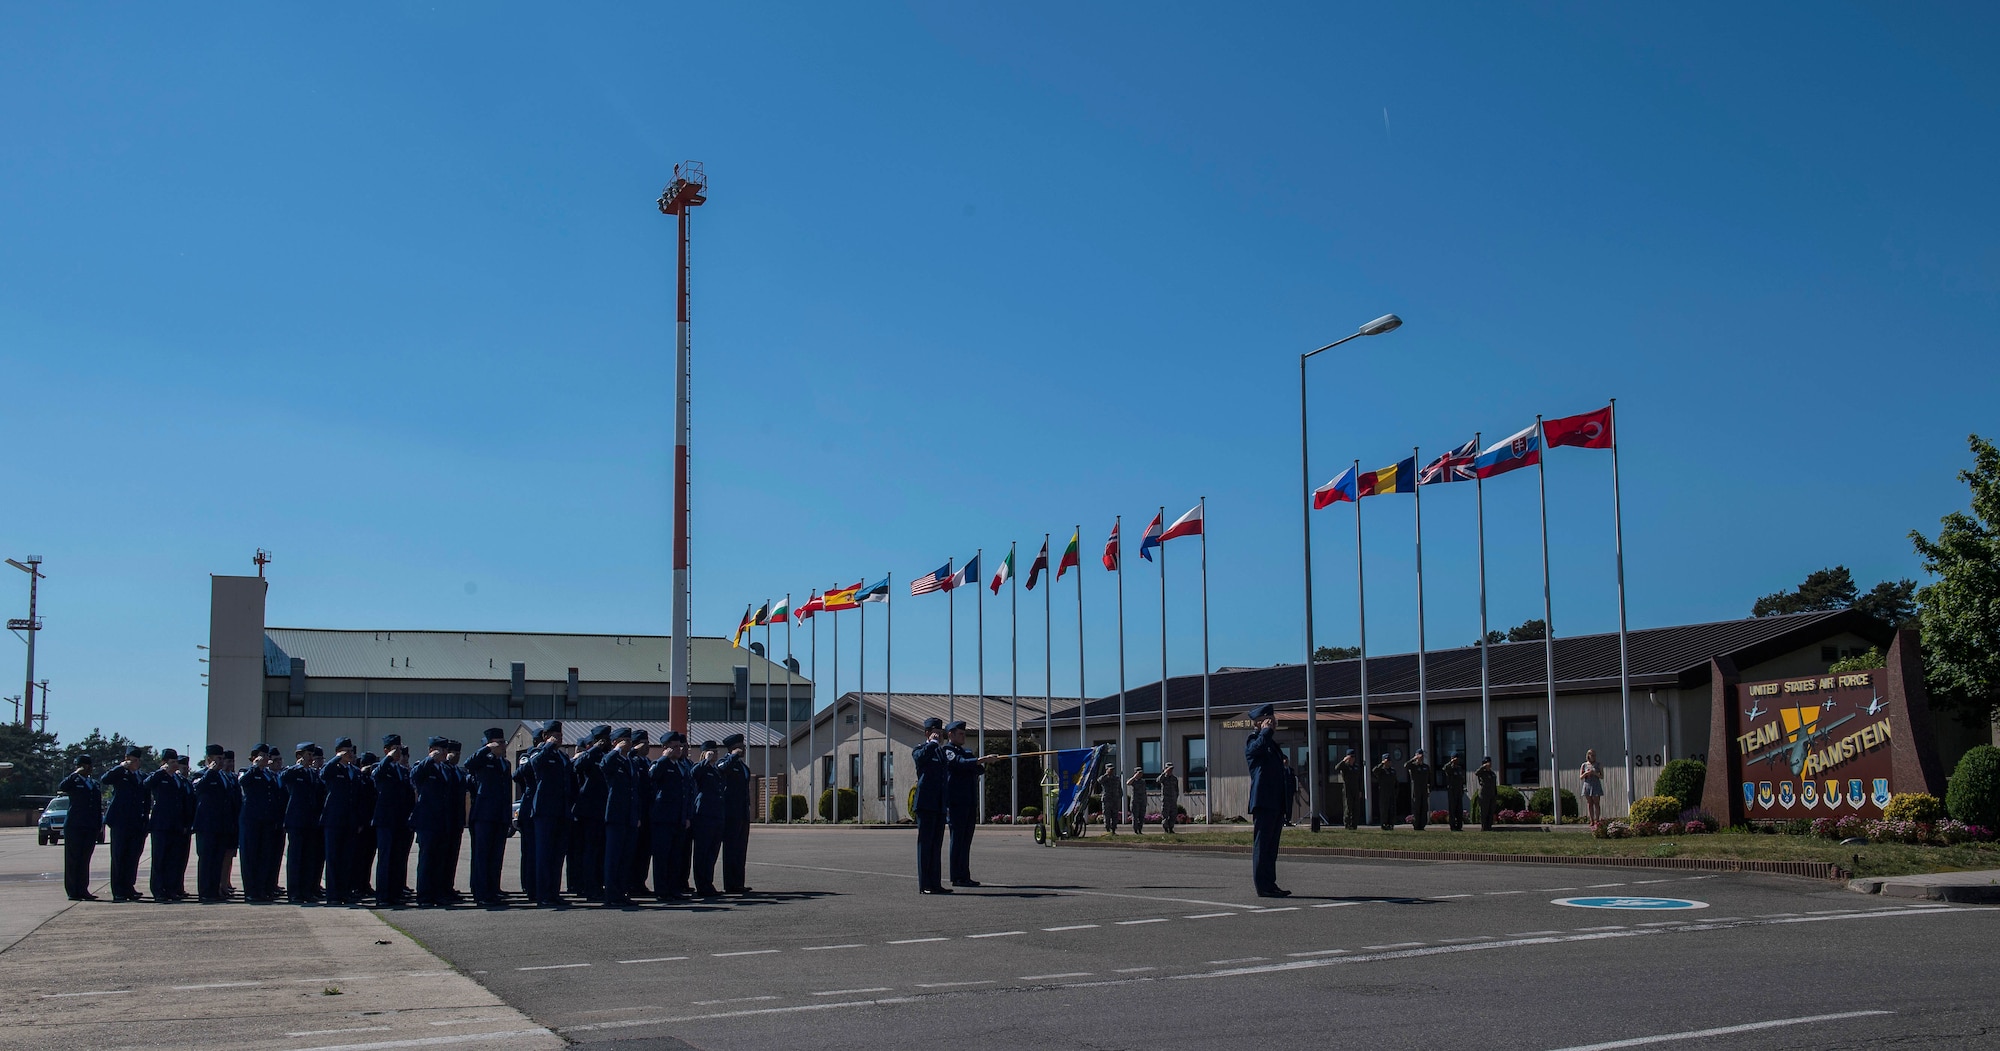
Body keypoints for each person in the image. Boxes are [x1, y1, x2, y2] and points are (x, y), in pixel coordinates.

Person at [464, 727, 513, 907]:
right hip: (483, 815)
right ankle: (481, 892)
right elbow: (469, 763)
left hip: (499, 815)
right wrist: (486, 749)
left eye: (503, 742)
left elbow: (507, 792)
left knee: (496, 856)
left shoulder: (505, 764)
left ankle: (493, 890)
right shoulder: (483, 760)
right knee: (482, 856)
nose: (502, 746)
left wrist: (507, 817)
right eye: (499, 743)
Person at [1244, 704, 1289, 897]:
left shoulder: (1271, 744)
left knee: (1272, 847)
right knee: (1262, 846)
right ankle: (1262, 886)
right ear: (1261, 722)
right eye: (1270, 720)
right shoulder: (1254, 740)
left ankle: (1270, 883)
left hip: (1276, 801)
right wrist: (1264, 732)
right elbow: (1255, 751)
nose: (1274, 723)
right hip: (1263, 801)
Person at [944, 720, 996, 885]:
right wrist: (979, 761)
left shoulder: (965, 751)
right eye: (960, 733)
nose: (963, 736)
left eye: (964, 733)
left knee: (966, 841)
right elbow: (959, 764)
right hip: (956, 803)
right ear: (950, 734)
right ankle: (956, 876)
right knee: (957, 839)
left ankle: (964, 875)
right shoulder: (947, 750)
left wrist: (978, 762)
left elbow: (977, 769)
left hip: (969, 801)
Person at [528, 720, 574, 907]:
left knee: (557, 856)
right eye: (555, 735)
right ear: (546, 736)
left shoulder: (562, 757)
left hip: (561, 811)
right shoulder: (540, 752)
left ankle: (554, 892)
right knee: (544, 855)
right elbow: (535, 765)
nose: (559, 738)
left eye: (561, 735)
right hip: (544, 811)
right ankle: (543, 894)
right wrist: (547, 746)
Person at [648, 732, 695, 900]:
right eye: (675, 746)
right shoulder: (660, 764)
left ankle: (674, 889)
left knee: (676, 857)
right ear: (665, 748)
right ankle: (662, 891)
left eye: (679, 746)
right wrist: (663, 759)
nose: (679, 749)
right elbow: (651, 777)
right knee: (662, 856)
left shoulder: (681, 767)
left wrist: (687, 816)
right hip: (663, 818)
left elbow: (686, 794)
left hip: (678, 818)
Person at [320, 738, 367, 905]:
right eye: (346, 751)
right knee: (333, 858)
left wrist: (360, 820)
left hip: (351, 821)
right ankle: (333, 894)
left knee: (347, 859)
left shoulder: (355, 771)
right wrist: (337, 758)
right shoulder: (334, 768)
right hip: (334, 820)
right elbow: (324, 774)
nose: (350, 754)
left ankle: (345, 892)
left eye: (351, 751)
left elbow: (360, 796)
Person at [237, 745, 285, 903]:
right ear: (253, 758)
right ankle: (251, 891)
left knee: (265, 857)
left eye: (266, 755)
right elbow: (243, 782)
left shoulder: (269, 775)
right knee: (250, 857)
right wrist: (254, 767)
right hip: (251, 821)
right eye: (261, 755)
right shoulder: (247, 771)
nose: (264, 758)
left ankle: (263, 889)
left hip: (267, 821)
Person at [411, 736, 456, 906]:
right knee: (427, 860)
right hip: (427, 821)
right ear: (432, 750)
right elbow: (414, 776)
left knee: (439, 860)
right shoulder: (424, 767)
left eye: (446, 750)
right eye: (441, 750)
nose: (445, 754)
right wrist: (429, 759)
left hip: (441, 821)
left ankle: (438, 893)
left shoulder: (445, 769)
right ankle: (424, 896)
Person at [103, 746, 151, 902]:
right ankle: (118, 890)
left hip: (136, 822)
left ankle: (129, 887)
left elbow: (146, 799)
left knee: (133, 856)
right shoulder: (120, 774)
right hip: (120, 821)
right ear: (126, 759)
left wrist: (145, 818)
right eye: (132, 760)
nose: (135, 763)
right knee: (119, 856)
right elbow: (105, 779)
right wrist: (120, 767)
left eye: (137, 760)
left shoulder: (141, 776)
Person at [571, 725, 612, 901]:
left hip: (603, 811)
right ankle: (588, 887)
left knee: (600, 852)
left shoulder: (606, 757)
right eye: (604, 740)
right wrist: (594, 749)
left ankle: (598, 884)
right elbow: (578, 767)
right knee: (590, 852)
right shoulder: (588, 756)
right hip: (587, 813)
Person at [601, 727, 641, 906]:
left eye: (629, 739)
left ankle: (623, 892)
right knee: (613, 856)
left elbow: (634, 790)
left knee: (626, 857)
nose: (629, 742)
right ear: (615, 742)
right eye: (624, 739)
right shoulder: (613, 759)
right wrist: (616, 750)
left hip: (630, 815)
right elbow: (604, 766)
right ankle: (611, 894)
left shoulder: (630, 761)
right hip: (616, 815)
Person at [374, 736, 414, 906]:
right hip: (386, 820)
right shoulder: (381, 767)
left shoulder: (402, 771)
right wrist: (389, 757)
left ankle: (395, 892)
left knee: (398, 858)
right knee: (386, 858)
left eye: (400, 749)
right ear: (387, 750)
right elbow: (377, 774)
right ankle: (383, 895)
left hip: (400, 820)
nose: (399, 752)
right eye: (395, 749)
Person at [57, 755, 104, 901]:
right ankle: (73, 890)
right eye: (84, 765)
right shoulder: (74, 781)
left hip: (89, 826)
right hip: (75, 825)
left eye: (89, 766)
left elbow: (97, 806)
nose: (88, 768)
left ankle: (83, 889)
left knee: (85, 859)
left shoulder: (94, 784)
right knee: (73, 859)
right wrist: (75, 773)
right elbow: (62, 786)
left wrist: (98, 825)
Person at [146, 749, 191, 902]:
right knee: (160, 859)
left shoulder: (178, 780)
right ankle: (158, 890)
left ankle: (171, 889)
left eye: (175, 762)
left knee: (173, 860)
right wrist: (161, 771)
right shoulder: (159, 777)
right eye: (171, 762)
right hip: (161, 825)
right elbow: (147, 784)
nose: (174, 765)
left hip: (176, 825)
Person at [193, 745, 235, 902]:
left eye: (222, 759)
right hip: (206, 825)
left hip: (221, 825)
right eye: (218, 759)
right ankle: (205, 892)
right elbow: (198, 788)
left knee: (217, 860)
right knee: (206, 860)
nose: (221, 762)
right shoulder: (202, 774)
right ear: (209, 759)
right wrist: (210, 771)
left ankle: (215, 890)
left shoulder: (222, 776)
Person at [281, 744, 323, 903]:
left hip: (310, 821)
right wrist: (298, 765)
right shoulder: (293, 771)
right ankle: (294, 892)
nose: (311, 758)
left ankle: (306, 891)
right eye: (308, 754)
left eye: (312, 754)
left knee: (309, 858)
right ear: (300, 755)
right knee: (296, 858)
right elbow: (283, 777)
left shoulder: (312, 773)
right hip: (296, 821)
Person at [717, 733, 753, 894]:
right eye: (741, 746)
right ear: (733, 748)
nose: (744, 749)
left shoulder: (742, 765)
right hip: (731, 813)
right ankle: (730, 884)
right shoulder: (726, 761)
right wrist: (732, 757)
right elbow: (721, 770)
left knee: (740, 850)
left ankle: (739, 882)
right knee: (731, 850)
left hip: (742, 812)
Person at [689, 741, 725, 897]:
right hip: (703, 815)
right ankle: (701, 885)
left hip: (716, 815)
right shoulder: (701, 768)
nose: (715, 755)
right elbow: (693, 774)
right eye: (711, 752)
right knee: (702, 852)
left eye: (716, 752)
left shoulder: (715, 770)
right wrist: (704, 761)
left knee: (712, 852)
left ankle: (708, 883)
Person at [514, 726, 543, 902]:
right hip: (528, 808)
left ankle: (539, 884)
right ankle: (528, 884)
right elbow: (519, 775)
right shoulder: (528, 756)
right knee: (529, 850)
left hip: (542, 808)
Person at [627, 729, 653, 897]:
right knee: (634, 851)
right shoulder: (633, 760)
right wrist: (633, 751)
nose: (647, 747)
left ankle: (640, 882)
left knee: (645, 851)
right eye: (644, 743)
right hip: (637, 811)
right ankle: (631, 883)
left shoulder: (648, 762)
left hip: (648, 812)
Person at [1335, 750, 1363, 830]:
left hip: (1356, 789)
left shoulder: (1356, 767)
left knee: (1356, 807)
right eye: (1351, 757)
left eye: (1354, 757)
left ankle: (1354, 825)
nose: (1353, 759)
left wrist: (1360, 790)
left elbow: (1359, 779)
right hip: (1347, 788)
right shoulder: (1345, 766)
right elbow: (1337, 767)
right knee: (1348, 807)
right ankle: (1347, 825)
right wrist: (1344, 760)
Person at [1371, 754, 1398, 831]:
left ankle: (1391, 824)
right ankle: (1384, 824)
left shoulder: (1393, 771)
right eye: (1387, 761)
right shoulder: (1381, 771)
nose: (1388, 762)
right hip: (1383, 792)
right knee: (1384, 809)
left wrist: (1396, 792)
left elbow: (1396, 783)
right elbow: (1374, 771)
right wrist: (1382, 764)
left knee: (1392, 809)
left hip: (1392, 792)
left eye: (1389, 761)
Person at [1406, 750, 1431, 831]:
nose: (1421, 758)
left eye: (1422, 756)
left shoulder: (1426, 767)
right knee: (1416, 808)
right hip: (1416, 790)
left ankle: (1422, 825)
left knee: (1424, 808)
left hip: (1424, 790)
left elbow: (1429, 779)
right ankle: (1416, 826)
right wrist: (1414, 759)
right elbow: (1406, 765)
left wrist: (1429, 788)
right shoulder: (1413, 766)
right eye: (1420, 756)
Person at [1097, 762, 1123, 835]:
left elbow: (1119, 788)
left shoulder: (1116, 778)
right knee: (1107, 815)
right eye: (1110, 769)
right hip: (1107, 799)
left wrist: (1120, 797)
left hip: (1115, 799)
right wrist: (1106, 774)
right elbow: (1099, 781)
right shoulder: (1104, 778)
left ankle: (1114, 829)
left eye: (1112, 769)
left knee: (1115, 815)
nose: (1112, 771)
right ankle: (1107, 829)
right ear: (1106, 769)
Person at [1580, 749, 1605, 823]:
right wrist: (1586, 773)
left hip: (1596, 784)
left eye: (1594, 755)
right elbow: (1581, 777)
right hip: (1587, 784)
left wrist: (1595, 773)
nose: (1593, 757)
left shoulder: (1598, 764)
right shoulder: (1584, 765)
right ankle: (1591, 820)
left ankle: (1597, 819)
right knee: (1590, 803)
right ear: (1588, 756)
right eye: (1592, 755)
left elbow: (1602, 776)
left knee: (1596, 803)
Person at [1443, 755, 1467, 832]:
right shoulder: (1450, 768)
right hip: (1452, 791)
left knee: (1459, 809)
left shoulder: (1459, 768)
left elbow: (1461, 779)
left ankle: (1459, 826)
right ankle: (1452, 826)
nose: (1456, 760)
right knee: (1452, 809)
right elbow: (1444, 768)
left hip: (1459, 791)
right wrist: (1451, 762)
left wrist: (1462, 789)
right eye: (1454, 758)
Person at [1125, 765, 1149, 835]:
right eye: (1138, 773)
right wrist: (1134, 777)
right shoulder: (1133, 781)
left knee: (1141, 816)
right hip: (1135, 801)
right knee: (1135, 817)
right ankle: (1135, 830)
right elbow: (1128, 783)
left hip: (1142, 801)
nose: (1140, 774)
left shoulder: (1143, 781)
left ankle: (1140, 830)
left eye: (1141, 773)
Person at [1476, 757, 1498, 832]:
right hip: (1484, 794)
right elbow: (1476, 773)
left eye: (1490, 762)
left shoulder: (1492, 773)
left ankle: (1489, 826)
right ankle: (1484, 827)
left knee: (1491, 811)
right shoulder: (1482, 772)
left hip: (1492, 794)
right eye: (1488, 762)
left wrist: (1495, 794)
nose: (1489, 764)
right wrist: (1483, 767)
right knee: (1484, 811)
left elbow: (1494, 784)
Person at [1157, 762, 1181, 834]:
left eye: (1171, 769)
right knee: (1165, 815)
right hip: (1166, 799)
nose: (1170, 771)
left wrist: (1176, 796)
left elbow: (1176, 789)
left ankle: (1171, 828)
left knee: (1173, 815)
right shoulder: (1163, 778)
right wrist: (1164, 773)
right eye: (1169, 769)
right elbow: (1158, 780)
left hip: (1173, 799)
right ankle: (1166, 829)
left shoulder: (1174, 778)